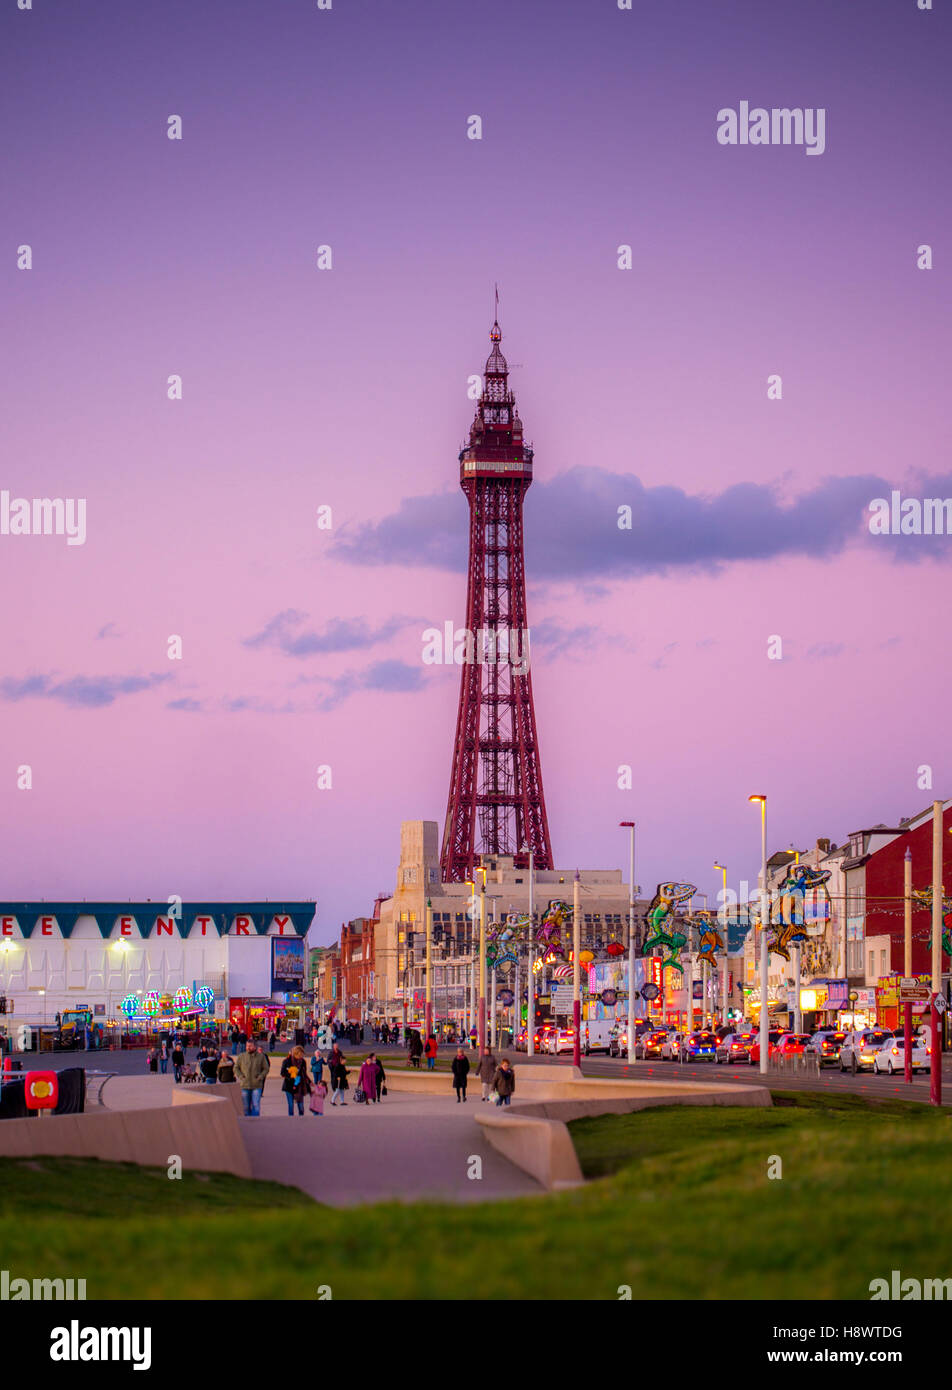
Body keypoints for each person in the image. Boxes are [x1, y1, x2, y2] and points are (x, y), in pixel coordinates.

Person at [234, 1040, 270, 1116]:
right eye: (247, 1046)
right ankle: (248, 1122)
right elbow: (236, 1068)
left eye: (250, 1046)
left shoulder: (261, 1057)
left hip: (256, 1085)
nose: (248, 1048)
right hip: (245, 1085)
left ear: (255, 1047)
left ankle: (255, 1122)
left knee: (256, 1106)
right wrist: (240, 1076)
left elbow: (266, 1068)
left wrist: (260, 1076)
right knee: (246, 1107)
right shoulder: (242, 1056)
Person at [281, 1047, 312, 1116]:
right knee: (291, 1105)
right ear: (296, 1054)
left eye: (302, 1055)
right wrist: (291, 1075)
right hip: (289, 1085)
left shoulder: (303, 1062)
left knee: (301, 1106)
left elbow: (304, 1073)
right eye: (300, 1055)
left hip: (299, 1086)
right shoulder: (287, 1061)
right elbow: (282, 1073)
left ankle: (301, 1120)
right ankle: (291, 1120)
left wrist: (310, 1082)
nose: (301, 1057)